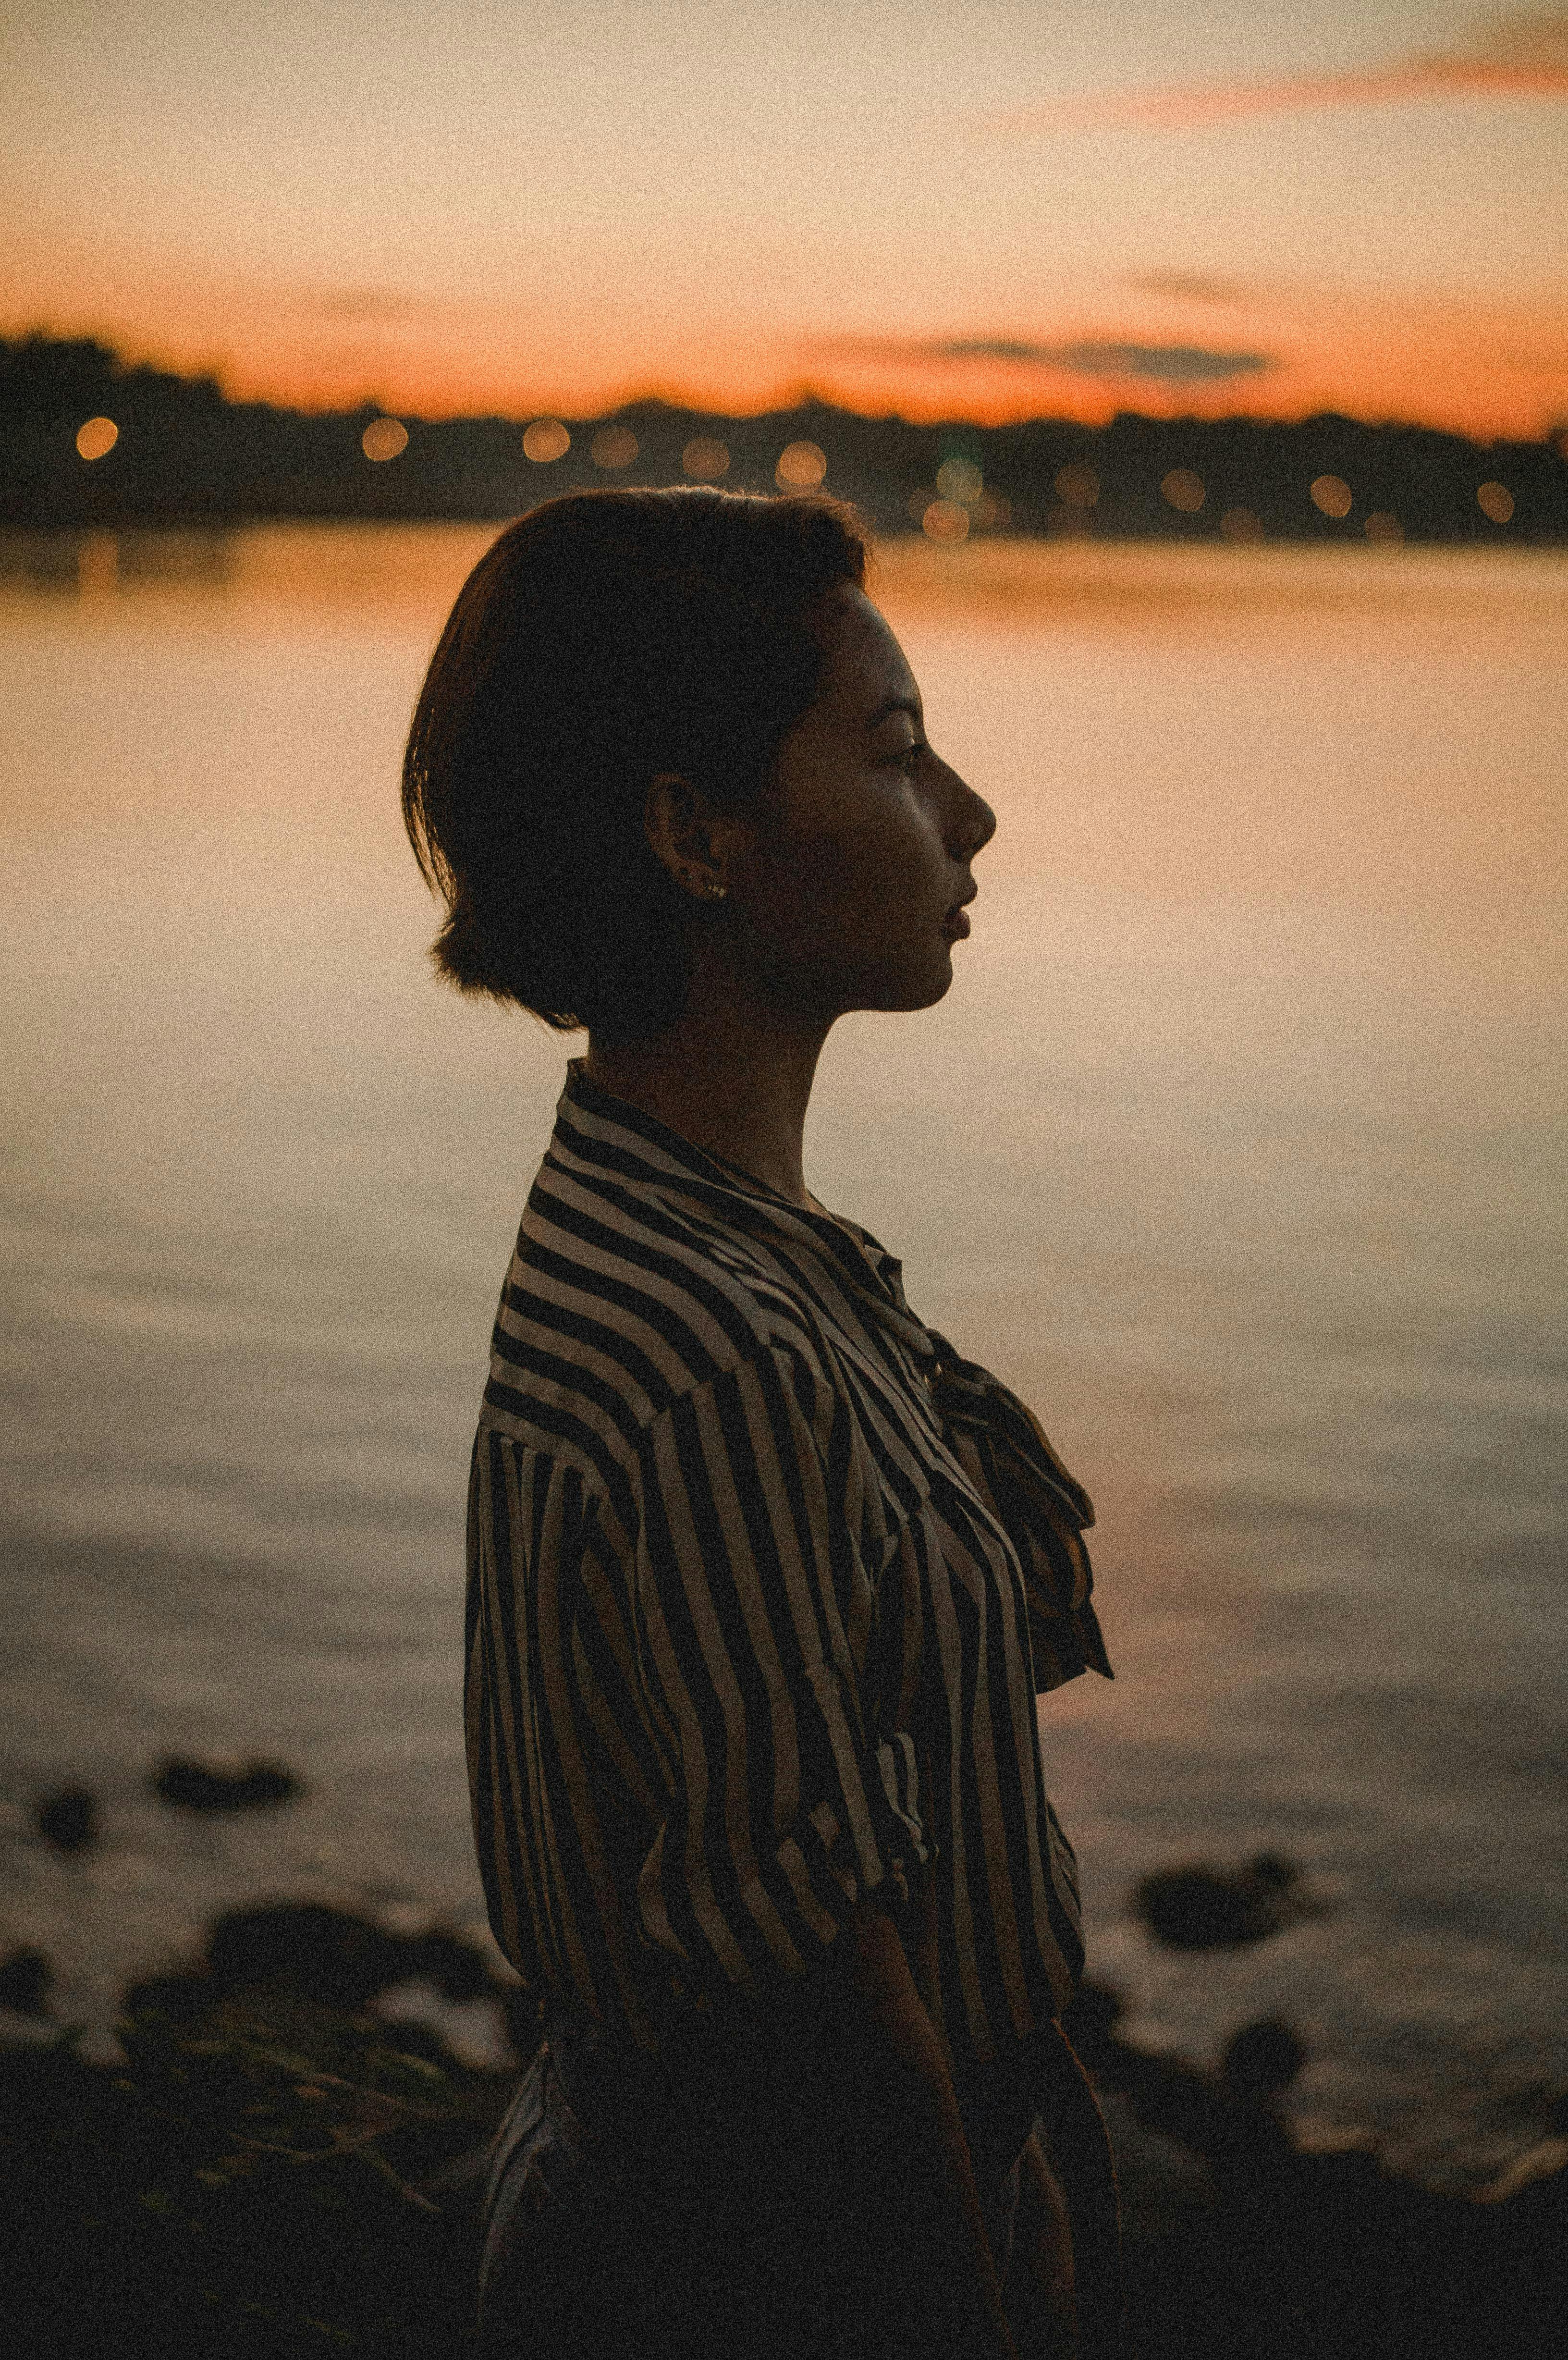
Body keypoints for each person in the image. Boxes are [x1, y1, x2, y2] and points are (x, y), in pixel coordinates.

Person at [402, 486, 1120, 2359]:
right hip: (744, 2269)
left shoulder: (733, 1244)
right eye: (897, 754)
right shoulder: (709, 1346)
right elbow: (810, 2018)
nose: (965, 816)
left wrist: (1021, 2141)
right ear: (695, 831)